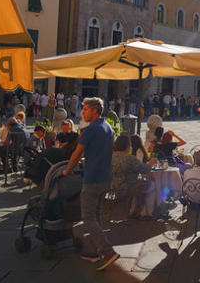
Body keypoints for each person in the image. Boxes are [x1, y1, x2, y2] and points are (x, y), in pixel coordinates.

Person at [62, 97, 119, 271]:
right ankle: (96, 251)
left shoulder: (90, 129)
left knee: (87, 218)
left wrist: (67, 171)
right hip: (106, 177)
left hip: (93, 178)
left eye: (85, 109)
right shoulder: (108, 127)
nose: (83, 112)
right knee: (96, 216)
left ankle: (108, 251)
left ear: (94, 110)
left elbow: (76, 154)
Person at [111, 134, 156, 220]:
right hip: (128, 187)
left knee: (139, 184)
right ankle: (146, 213)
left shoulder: (110, 157)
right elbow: (144, 170)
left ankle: (134, 210)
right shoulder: (130, 158)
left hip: (112, 186)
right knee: (151, 184)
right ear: (127, 146)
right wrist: (151, 163)